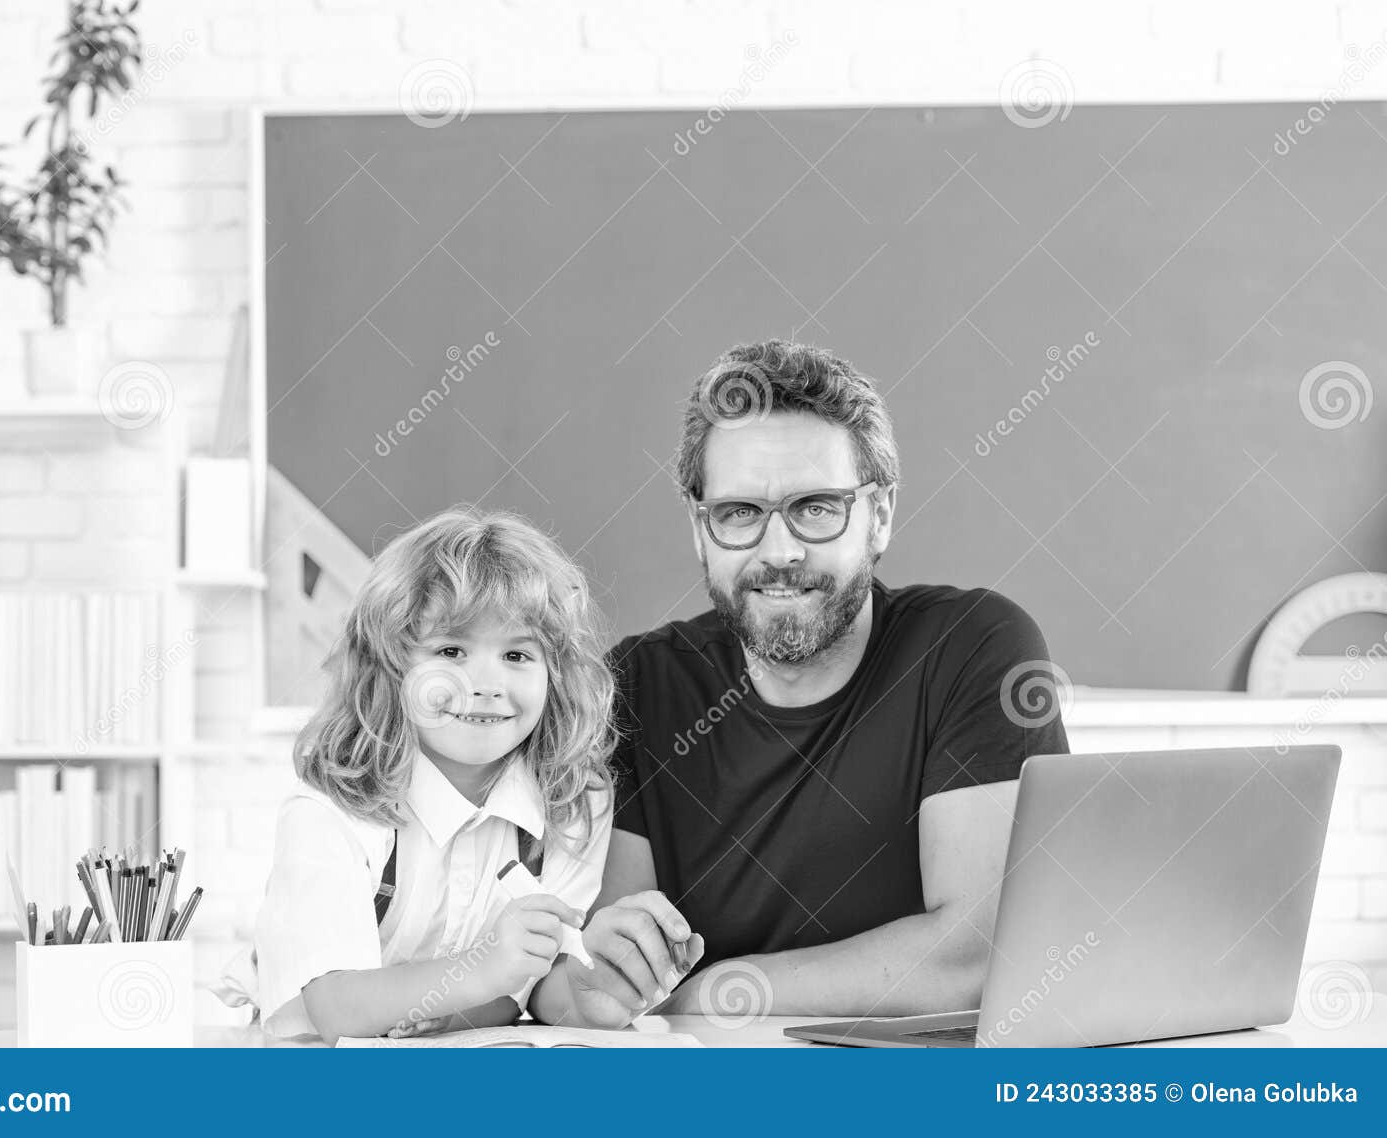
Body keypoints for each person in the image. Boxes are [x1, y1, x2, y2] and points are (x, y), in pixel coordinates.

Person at [560, 338, 1071, 1026]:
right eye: (739, 513)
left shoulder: (973, 647)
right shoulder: (640, 685)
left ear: (879, 515)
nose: (779, 552)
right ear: (699, 528)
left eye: (816, 507)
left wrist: (724, 988)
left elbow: (975, 955)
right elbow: (620, 975)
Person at [214, 507, 630, 1041]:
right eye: (451, 650)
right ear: (391, 667)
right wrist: (481, 970)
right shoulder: (331, 808)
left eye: (518, 654)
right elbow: (334, 1007)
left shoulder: (574, 805)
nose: (485, 683)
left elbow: (513, 996)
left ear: (556, 674)